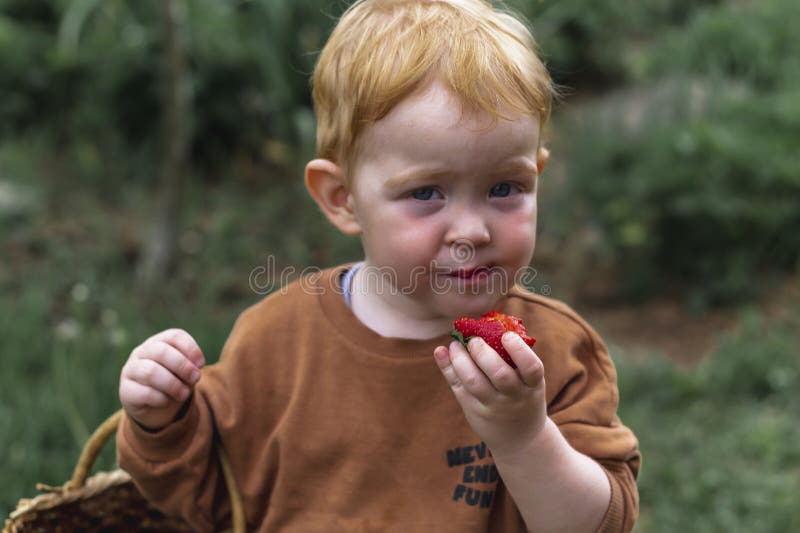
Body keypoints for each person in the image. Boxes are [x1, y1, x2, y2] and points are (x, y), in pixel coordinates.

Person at [117, 1, 641, 531]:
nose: (472, 231)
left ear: (538, 176)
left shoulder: (550, 353)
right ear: (343, 198)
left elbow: (601, 523)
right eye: (426, 193)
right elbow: (200, 494)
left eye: (505, 188)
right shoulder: (275, 342)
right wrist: (160, 420)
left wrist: (525, 439)